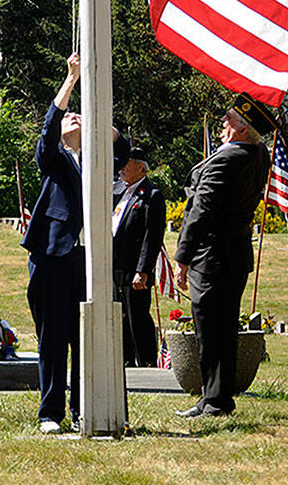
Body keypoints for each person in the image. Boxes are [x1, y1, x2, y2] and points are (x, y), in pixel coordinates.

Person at [22, 53, 129, 433]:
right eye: (72, 116)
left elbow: (125, 150)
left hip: (88, 257)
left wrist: (100, 121)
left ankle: (85, 406)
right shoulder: (54, 159)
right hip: (52, 256)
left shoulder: (98, 160)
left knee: (84, 335)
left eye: (80, 117)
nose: (75, 118)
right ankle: (50, 414)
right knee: (53, 337)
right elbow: (50, 128)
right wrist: (71, 80)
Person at [173, 93, 275, 417]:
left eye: (229, 119)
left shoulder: (224, 160)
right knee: (223, 330)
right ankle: (214, 397)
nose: (223, 122)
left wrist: (182, 258)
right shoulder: (259, 154)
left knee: (211, 331)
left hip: (212, 257)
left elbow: (200, 213)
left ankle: (215, 401)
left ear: (243, 129)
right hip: (236, 254)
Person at [111, 145, 166, 367]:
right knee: (118, 316)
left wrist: (143, 270)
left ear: (141, 168)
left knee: (137, 317)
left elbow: (151, 237)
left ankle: (146, 363)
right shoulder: (116, 190)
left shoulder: (152, 195)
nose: (122, 167)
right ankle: (124, 362)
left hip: (135, 268)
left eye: (128, 162)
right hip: (114, 264)